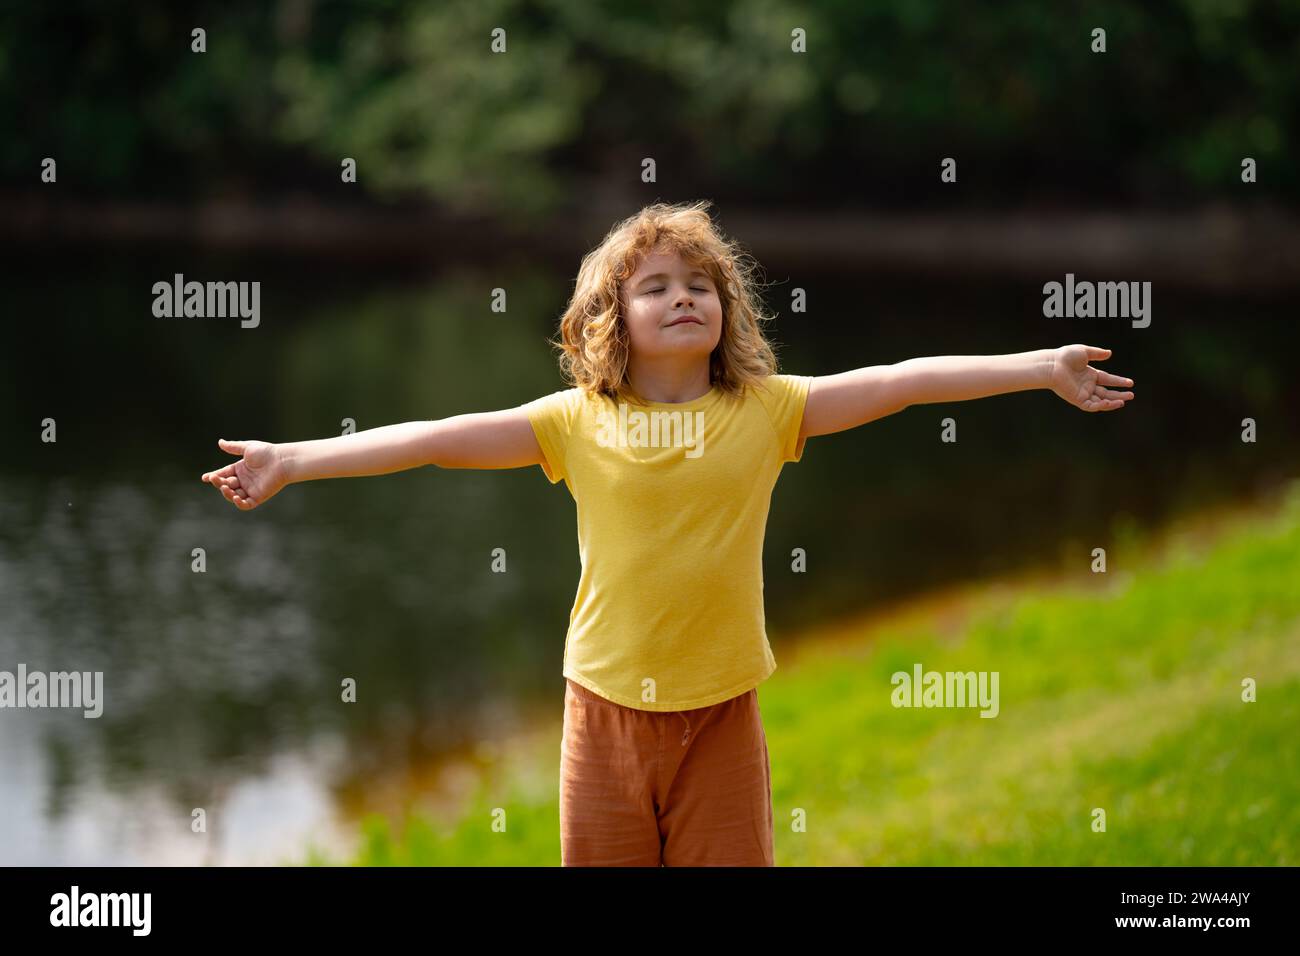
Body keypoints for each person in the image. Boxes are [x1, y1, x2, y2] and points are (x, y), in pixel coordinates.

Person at [200, 200, 1135, 866]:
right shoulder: (574, 420)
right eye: (655, 287)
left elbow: (904, 379)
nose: (683, 296)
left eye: (700, 283)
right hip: (603, 714)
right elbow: (432, 443)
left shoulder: (771, 411)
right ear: (613, 320)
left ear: (726, 309)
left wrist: (1041, 364)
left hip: (723, 713)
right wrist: (294, 457)